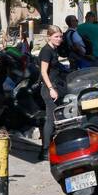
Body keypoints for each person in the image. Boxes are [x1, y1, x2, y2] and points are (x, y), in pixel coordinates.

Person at [37, 26, 68, 160]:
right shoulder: (46, 51)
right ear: (49, 37)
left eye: (60, 36)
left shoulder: (54, 50)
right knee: (51, 119)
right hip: (49, 88)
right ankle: (44, 151)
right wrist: (51, 89)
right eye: (56, 36)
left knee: (55, 118)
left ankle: (52, 147)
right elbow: (44, 71)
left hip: (55, 86)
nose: (59, 39)